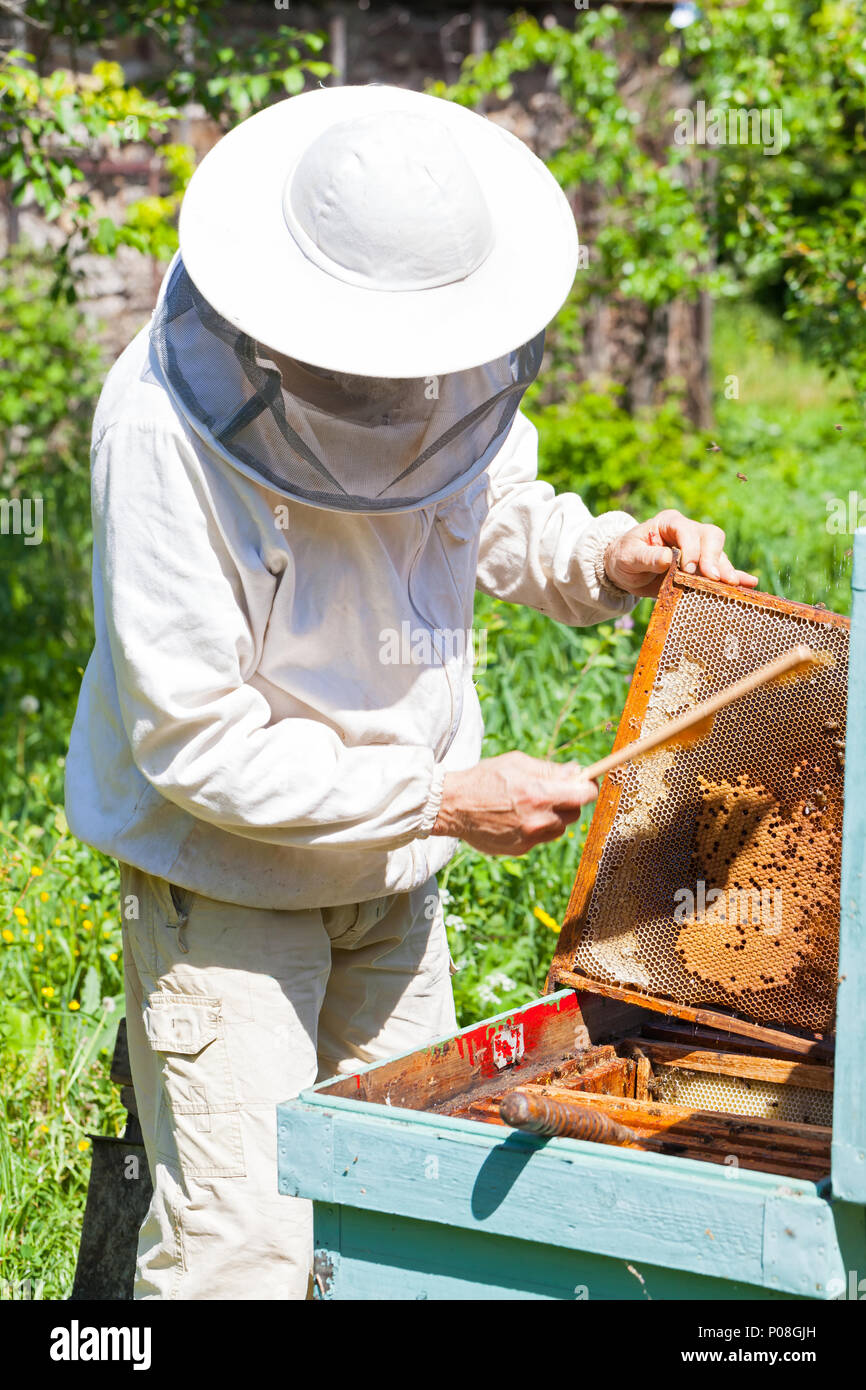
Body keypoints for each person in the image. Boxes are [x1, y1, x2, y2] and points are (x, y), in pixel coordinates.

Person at [65, 84, 758, 1300]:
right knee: (246, 1251)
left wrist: (605, 558)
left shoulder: (443, 366)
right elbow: (192, 742)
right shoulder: (162, 430)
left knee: (399, 1219)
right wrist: (440, 799)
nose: (405, 384)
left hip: (394, 883)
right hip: (227, 888)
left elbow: (485, 505)